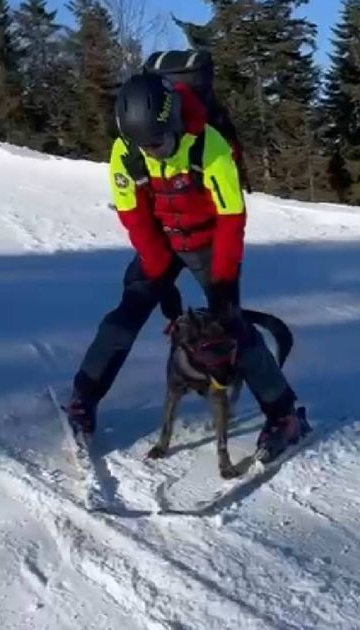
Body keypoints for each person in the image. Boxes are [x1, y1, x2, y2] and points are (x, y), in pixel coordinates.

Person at [66, 71, 308, 464]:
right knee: (123, 319)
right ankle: (83, 399)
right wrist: (162, 281)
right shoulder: (126, 153)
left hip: (210, 243)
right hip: (161, 242)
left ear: (174, 119)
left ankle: (284, 415)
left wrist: (225, 284)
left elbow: (232, 217)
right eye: (145, 146)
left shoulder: (210, 147)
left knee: (232, 328)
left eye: (159, 143)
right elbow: (136, 219)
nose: (153, 153)